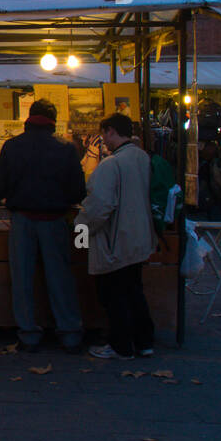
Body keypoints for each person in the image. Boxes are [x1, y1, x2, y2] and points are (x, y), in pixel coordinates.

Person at [0, 99, 88, 353]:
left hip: (22, 221)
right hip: (54, 221)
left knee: (22, 279)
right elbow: (78, 192)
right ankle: (70, 333)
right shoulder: (67, 149)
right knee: (60, 278)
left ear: (29, 118)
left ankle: (29, 335)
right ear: (53, 121)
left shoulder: (12, 146)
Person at [76, 113, 158, 359]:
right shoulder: (142, 158)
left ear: (111, 131)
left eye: (104, 134)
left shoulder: (111, 165)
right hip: (139, 238)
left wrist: (81, 227)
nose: (103, 140)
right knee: (134, 291)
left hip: (115, 239)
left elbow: (100, 206)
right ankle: (144, 342)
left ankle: (121, 346)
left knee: (113, 294)